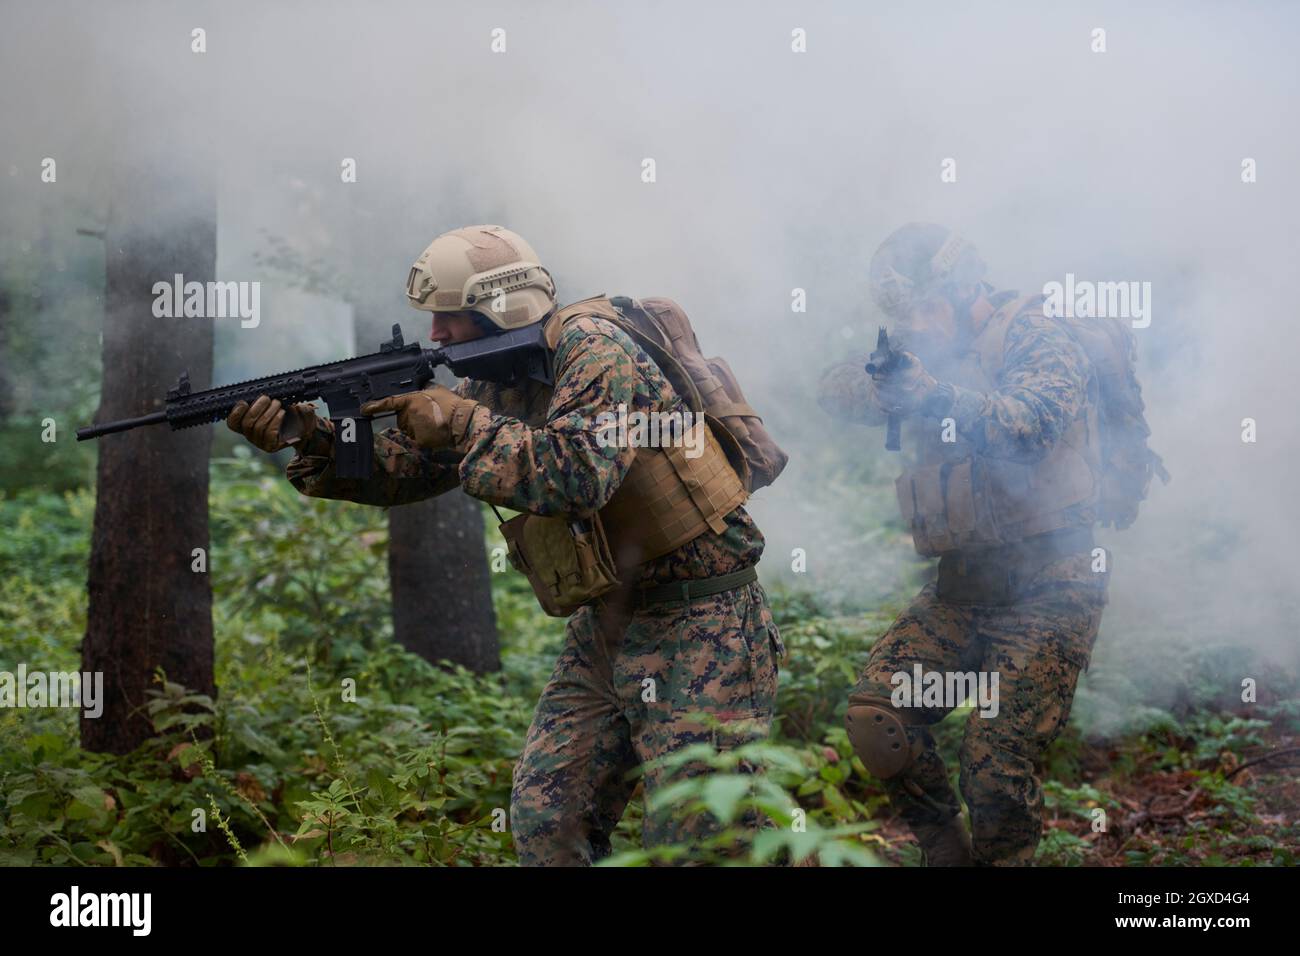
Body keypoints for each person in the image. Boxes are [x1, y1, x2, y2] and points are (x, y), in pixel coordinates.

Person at [227, 224, 783, 865]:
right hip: (607, 623)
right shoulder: (498, 378)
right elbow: (407, 469)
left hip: (703, 620)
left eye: (449, 319)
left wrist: (461, 425)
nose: (435, 335)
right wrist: (311, 435)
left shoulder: (594, 347)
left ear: (499, 308)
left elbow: (581, 476)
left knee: (703, 844)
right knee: (550, 824)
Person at [818, 223, 1109, 866]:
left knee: (995, 764)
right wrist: (886, 383)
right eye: (907, 314)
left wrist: (934, 394)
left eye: (928, 307)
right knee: (877, 716)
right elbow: (834, 392)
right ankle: (946, 853)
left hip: (1050, 581)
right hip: (964, 584)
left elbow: (1029, 427)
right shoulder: (921, 350)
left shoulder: (1034, 333)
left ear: (965, 286)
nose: (918, 325)